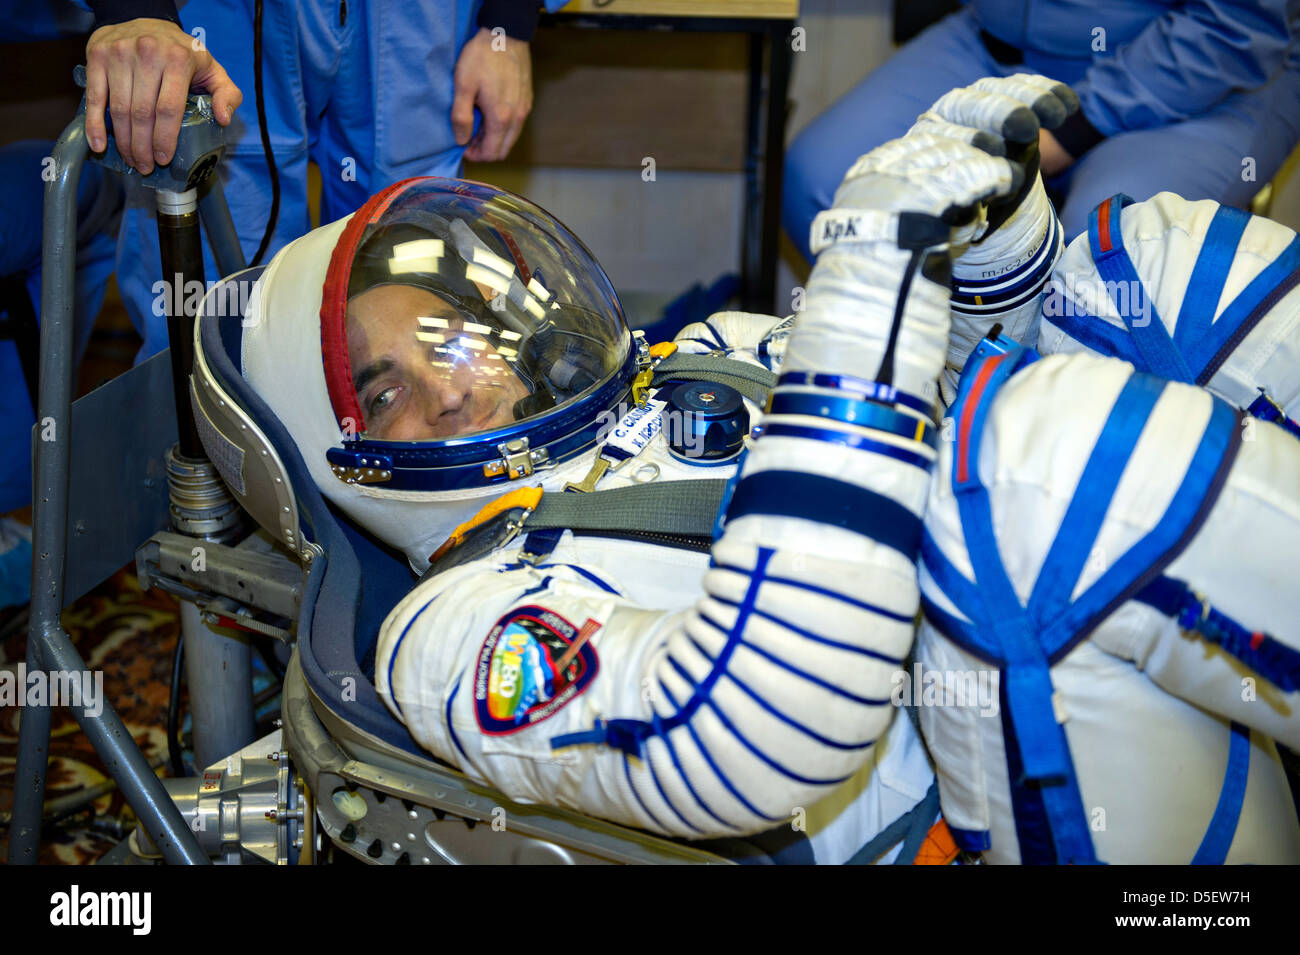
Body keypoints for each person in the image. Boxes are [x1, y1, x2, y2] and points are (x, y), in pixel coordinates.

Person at [218, 74, 1300, 863]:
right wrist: (867, 294)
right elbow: (744, 735)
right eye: (387, 385)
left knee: (1136, 269)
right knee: (1012, 473)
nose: (450, 385)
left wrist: (985, 244)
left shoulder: (691, 359)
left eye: (448, 337)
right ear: (338, 454)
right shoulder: (453, 629)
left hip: (1078, 682)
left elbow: (971, 371)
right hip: (954, 810)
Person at [77, 0, 562, 361]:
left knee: (413, 298)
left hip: (417, 22)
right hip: (216, 20)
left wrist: (508, 20)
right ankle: (207, 488)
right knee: (209, 324)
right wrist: (135, 10)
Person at [784, 0, 1300, 261]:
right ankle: (933, 384)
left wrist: (1069, 133)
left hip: (1209, 70)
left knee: (1108, 251)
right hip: (999, 41)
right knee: (834, 186)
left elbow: (1235, 25)